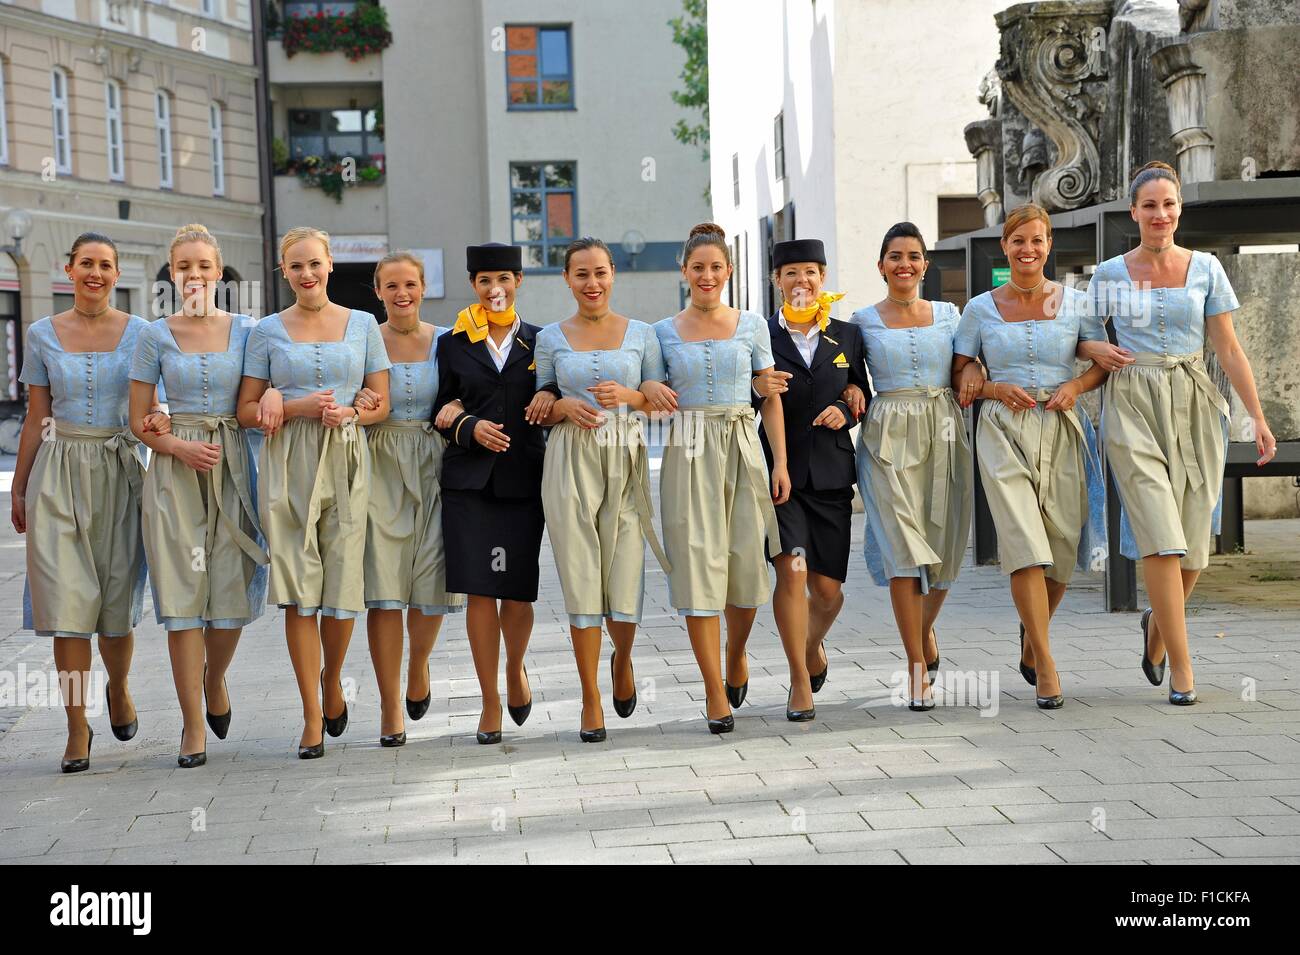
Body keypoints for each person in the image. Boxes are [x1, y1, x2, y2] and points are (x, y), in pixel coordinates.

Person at [1083, 161, 1277, 705]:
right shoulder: (1108, 274)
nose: (1160, 214)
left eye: (1168, 204)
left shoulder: (1207, 268)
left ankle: (1157, 630)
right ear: (1134, 212)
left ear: (1179, 209)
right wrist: (1093, 347)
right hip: (1132, 404)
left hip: (1195, 402)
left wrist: (1257, 418)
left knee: (1192, 544)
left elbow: (1229, 349)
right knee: (1161, 536)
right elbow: (1077, 337)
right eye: (1149, 205)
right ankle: (1184, 668)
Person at [236, 226, 391, 759]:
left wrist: (354, 410)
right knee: (300, 592)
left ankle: (333, 681)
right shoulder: (266, 331)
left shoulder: (365, 324)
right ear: (284, 272)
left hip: (346, 456)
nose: (306, 273)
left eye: (314, 264)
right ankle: (309, 712)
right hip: (287, 462)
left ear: (330, 266)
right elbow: (245, 411)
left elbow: (382, 404)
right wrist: (288, 403)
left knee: (344, 588)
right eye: (295, 265)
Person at [12, 232, 162, 773]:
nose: (95, 273)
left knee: (115, 607)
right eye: (85, 264)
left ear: (116, 274)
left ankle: (118, 689)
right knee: (66, 609)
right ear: (69, 270)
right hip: (57, 473)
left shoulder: (144, 333)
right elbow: (35, 416)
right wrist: (20, 484)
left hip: (121, 474)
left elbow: (152, 406)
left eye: (105, 265)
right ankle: (77, 727)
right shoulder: (42, 333)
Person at [953, 204, 1109, 710]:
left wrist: (1076, 385)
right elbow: (961, 374)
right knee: (1024, 542)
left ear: (1049, 246)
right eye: (1019, 241)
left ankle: (1030, 634)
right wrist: (991, 384)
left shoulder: (1077, 302)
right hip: (1002, 430)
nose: (1028, 250)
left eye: (1037, 241)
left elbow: (1100, 365)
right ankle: (1046, 664)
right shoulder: (979, 308)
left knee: (1061, 547)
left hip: (1062, 426)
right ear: (1005, 246)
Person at [129, 224, 268, 768]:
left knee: (229, 595)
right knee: (184, 601)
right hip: (173, 475)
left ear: (218, 271)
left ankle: (216, 679)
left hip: (235, 466)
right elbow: (138, 420)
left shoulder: (249, 332)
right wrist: (177, 447)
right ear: (172, 273)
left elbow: (263, 392)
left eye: (202, 266)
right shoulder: (154, 336)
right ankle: (192, 726)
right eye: (183, 267)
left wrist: (278, 395)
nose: (193, 276)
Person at [652, 223, 791, 734]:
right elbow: (649, 391)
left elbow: (770, 395)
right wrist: (649, 385)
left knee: (744, 569)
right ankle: (714, 690)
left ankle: (736, 653)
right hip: (687, 451)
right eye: (698, 267)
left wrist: (779, 462)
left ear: (728, 271)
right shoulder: (662, 331)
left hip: (741, 446)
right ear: (684, 271)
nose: (707, 276)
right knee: (696, 567)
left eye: (716, 267)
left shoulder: (753, 325)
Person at [534, 237, 670, 742]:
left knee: (626, 569)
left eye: (600, 273)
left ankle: (624, 658)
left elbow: (659, 402)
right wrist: (562, 407)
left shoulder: (643, 335)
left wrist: (632, 394)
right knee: (580, 572)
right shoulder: (549, 337)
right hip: (569, 457)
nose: (592, 283)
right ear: (567, 280)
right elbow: (539, 402)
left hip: (626, 455)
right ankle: (590, 697)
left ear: (614, 275)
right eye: (581, 274)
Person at [432, 243, 557, 744]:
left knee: (518, 593)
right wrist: (467, 424)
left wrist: (549, 393)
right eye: (485, 280)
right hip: (469, 485)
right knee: (481, 590)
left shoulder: (541, 342)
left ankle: (515, 669)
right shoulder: (452, 343)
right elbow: (438, 408)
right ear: (474, 286)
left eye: (504, 278)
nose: (495, 288)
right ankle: (488, 701)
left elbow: (558, 392)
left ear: (519, 281)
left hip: (524, 481)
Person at [850, 223, 977, 710]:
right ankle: (915, 668)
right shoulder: (860, 322)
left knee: (943, 548)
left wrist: (974, 372)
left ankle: (923, 630)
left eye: (914, 256)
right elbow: (845, 373)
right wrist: (852, 389)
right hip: (887, 435)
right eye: (895, 256)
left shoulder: (950, 314)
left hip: (944, 429)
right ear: (880, 265)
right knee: (902, 548)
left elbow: (970, 361)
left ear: (925, 265)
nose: (905, 264)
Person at [347, 252, 466, 747]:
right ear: (377, 291)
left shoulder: (448, 340)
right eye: (391, 285)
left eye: (410, 284)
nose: (402, 294)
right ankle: (390, 704)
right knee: (385, 584)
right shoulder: (361, 339)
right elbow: (343, 389)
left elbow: (468, 390)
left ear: (423, 288)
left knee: (432, 578)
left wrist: (458, 404)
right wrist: (357, 402)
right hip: (379, 463)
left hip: (437, 461)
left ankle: (418, 665)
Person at [750, 237, 866, 721]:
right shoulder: (759, 336)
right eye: (791, 273)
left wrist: (847, 405)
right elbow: (742, 398)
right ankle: (800, 678)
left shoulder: (846, 334)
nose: (802, 281)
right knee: (792, 573)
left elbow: (863, 393)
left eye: (811, 272)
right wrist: (756, 388)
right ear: (777, 280)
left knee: (828, 593)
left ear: (823, 277)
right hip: (780, 476)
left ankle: (813, 646)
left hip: (833, 475)